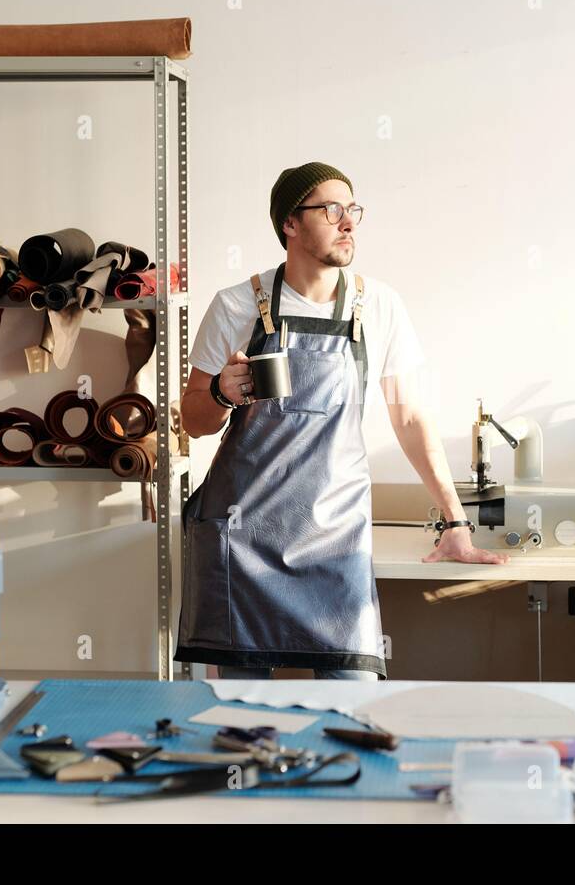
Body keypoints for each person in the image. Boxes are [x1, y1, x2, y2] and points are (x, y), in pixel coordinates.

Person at [177, 162, 506, 681]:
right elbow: (193, 419)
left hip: (336, 541)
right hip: (243, 538)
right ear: (290, 222)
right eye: (331, 210)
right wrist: (221, 390)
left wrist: (455, 521)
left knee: (350, 703)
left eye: (352, 210)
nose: (348, 222)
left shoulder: (378, 305)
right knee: (240, 721)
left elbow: (410, 417)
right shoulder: (237, 304)